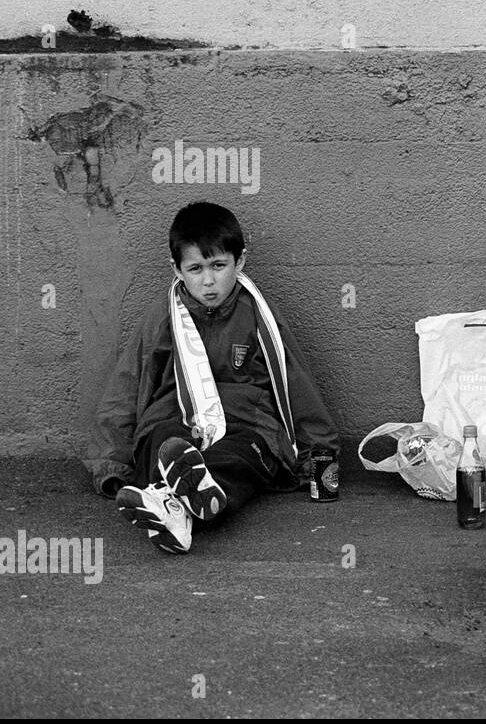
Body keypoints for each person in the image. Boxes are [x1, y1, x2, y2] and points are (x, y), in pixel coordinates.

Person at [85, 202, 339, 554]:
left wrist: (319, 452)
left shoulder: (257, 314)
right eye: (195, 268)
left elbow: (294, 379)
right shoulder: (164, 315)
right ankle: (185, 499)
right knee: (164, 441)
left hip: (245, 423)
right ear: (176, 269)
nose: (208, 280)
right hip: (176, 418)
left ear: (240, 261)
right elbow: (128, 383)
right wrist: (111, 462)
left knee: (244, 454)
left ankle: (171, 505)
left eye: (219, 266)